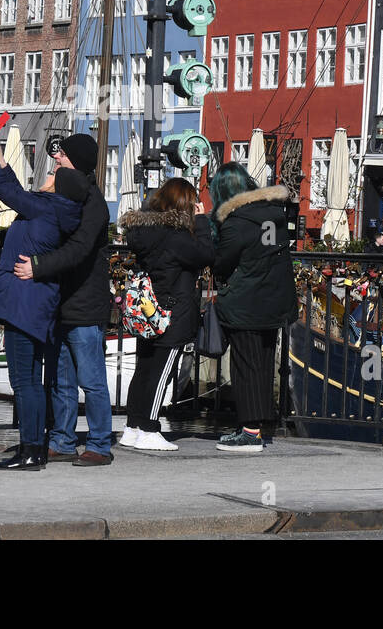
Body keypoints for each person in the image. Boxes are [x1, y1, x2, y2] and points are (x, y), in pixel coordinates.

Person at [0, 123, 87, 471]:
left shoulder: (46, 207)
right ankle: (32, 446)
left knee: (23, 381)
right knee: (31, 379)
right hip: (36, 302)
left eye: (54, 174)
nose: (49, 175)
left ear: (58, 189)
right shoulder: (55, 210)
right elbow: (13, 190)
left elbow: (3, 187)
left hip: (24, 302)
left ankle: (32, 450)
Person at [12, 134, 113, 467]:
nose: (56, 158)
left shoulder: (94, 203)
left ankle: (99, 444)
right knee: (61, 380)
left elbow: (79, 249)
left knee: (91, 380)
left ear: (77, 162)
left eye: (62, 155)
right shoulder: (65, 195)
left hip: (85, 302)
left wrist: (38, 267)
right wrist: (0, 241)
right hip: (61, 301)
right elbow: (43, 229)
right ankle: (63, 440)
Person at [117, 178, 214, 451]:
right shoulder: (176, 236)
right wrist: (203, 221)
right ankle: (149, 428)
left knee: (144, 369)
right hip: (172, 312)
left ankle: (133, 427)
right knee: (162, 373)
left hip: (149, 310)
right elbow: (207, 254)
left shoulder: (146, 231)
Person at [208, 163, 295, 452]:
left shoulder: (237, 222)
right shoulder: (274, 215)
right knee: (262, 365)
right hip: (273, 301)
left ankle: (249, 432)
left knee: (245, 366)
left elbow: (221, 262)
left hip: (246, 303)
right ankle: (256, 428)